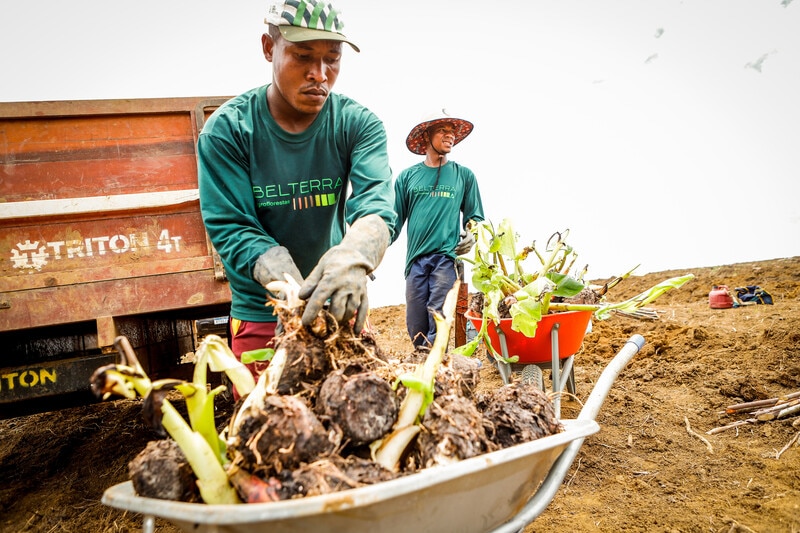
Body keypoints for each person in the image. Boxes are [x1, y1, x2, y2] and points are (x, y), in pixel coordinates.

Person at [197, 0, 396, 388]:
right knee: (268, 433)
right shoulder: (228, 130)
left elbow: (375, 204)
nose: (319, 74)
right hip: (259, 314)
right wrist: (286, 281)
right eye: (302, 55)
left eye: (332, 59)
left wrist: (355, 255)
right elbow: (233, 225)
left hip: (338, 306)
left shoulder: (358, 124)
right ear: (269, 48)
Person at [392, 110, 485, 349]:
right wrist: (370, 251)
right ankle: (423, 363)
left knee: (439, 318)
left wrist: (471, 234)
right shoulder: (407, 178)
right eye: (443, 131)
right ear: (427, 137)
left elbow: (474, 216)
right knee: (416, 324)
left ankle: (433, 371)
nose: (450, 136)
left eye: (452, 132)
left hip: (445, 259)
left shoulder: (463, 176)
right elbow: (393, 221)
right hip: (415, 261)